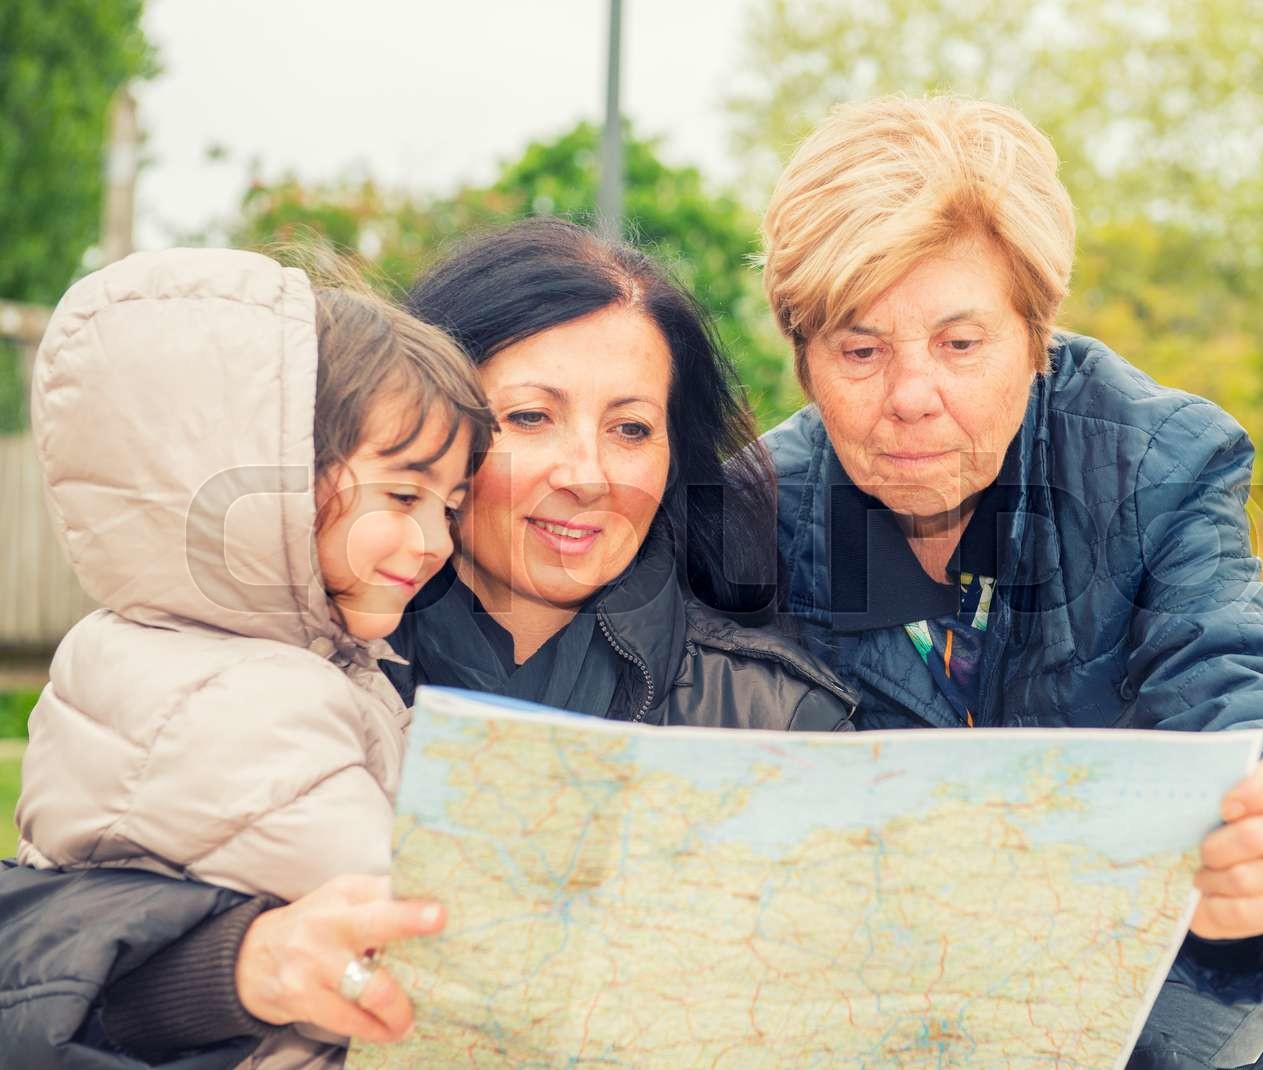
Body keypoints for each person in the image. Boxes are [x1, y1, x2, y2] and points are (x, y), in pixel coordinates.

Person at [0, 222, 853, 1068]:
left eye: (631, 429)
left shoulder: (777, 715)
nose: (587, 473)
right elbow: (30, 958)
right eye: (529, 416)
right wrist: (232, 967)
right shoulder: (270, 667)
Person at [757, 96, 1263, 1067]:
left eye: (960, 344)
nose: (912, 395)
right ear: (802, 360)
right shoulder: (756, 515)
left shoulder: (1156, 459)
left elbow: (1244, 677)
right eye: (859, 349)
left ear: (1035, 340)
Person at [13, 246, 497, 1068]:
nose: (436, 542)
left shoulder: (172, 649)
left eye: (450, 507)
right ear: (270, 485)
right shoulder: (244, 704)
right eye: (405, 496)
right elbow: (434, 930)